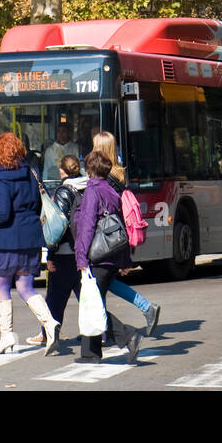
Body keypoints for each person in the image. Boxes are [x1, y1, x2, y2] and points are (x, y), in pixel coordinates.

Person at [0, 132, 60, 354]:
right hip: (32, 238)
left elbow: (3, 213)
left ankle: (6, 335)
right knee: (26, 287)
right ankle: (49, 323)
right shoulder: (32, 173)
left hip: (8, 241)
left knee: (2, 286)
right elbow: (37, 205)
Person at [73, 150, 143, 363]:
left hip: (98, 256)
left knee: (93, 305)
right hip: (112, 254)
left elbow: (87, 226)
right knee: (93, 302)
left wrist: (81, 256)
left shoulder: (93, 190)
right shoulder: (112, 190)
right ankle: (90, 353)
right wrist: (125, 260)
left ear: (89, 170)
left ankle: (128, 335)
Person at [92, 132, 160, 337]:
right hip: (117, 236)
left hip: (107, 238)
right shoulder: (119, 172)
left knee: (98, 285)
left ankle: (102, 330)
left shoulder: (106, 177)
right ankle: (145, 308)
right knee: (106, 282)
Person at [30, 155, 86, 351]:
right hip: (83, 250)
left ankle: (48, 334)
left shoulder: (64, 190)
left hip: (64, 252)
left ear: (62, 171)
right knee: (87, 296)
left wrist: (50, 256)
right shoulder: (87, 185)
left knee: (55, 297)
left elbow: (58, 227)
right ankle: (103, 332)